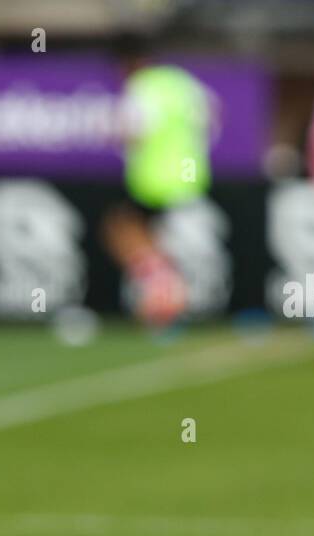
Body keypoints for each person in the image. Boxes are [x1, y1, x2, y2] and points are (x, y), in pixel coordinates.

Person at [101, 32, 214, 327]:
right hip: (189, 179)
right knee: (156, 243)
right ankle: (166, 298)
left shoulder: (142, 88)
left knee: (120, 228)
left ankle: (165, 296)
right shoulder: (181, 82)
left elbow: (134, 132)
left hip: (155, 182)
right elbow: (210, 119)